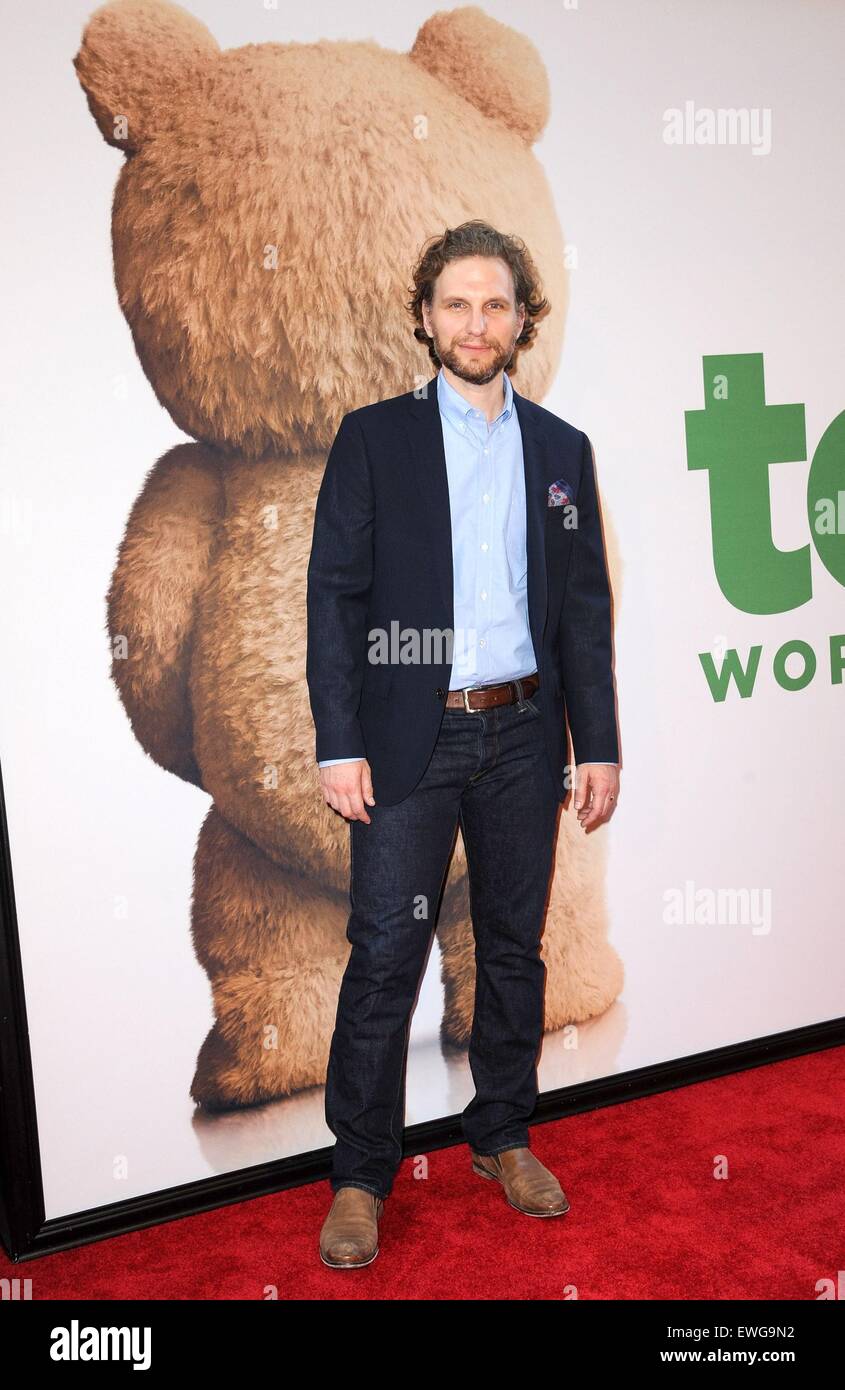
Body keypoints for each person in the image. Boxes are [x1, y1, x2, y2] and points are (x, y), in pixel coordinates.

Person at [306, 220, 620, 1268]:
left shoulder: (560, 451)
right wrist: (337, 740)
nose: (473, 323)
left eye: (493, 304)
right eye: (454, 304)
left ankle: (501, 1134)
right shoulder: (373, 438)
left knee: (513, 948)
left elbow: (582, 612)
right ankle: (359, 1172)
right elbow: (335, 601)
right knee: (386, 954)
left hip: (528, 734)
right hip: (407, 739)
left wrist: (598, 741)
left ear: (521, 319)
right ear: (425, 317)